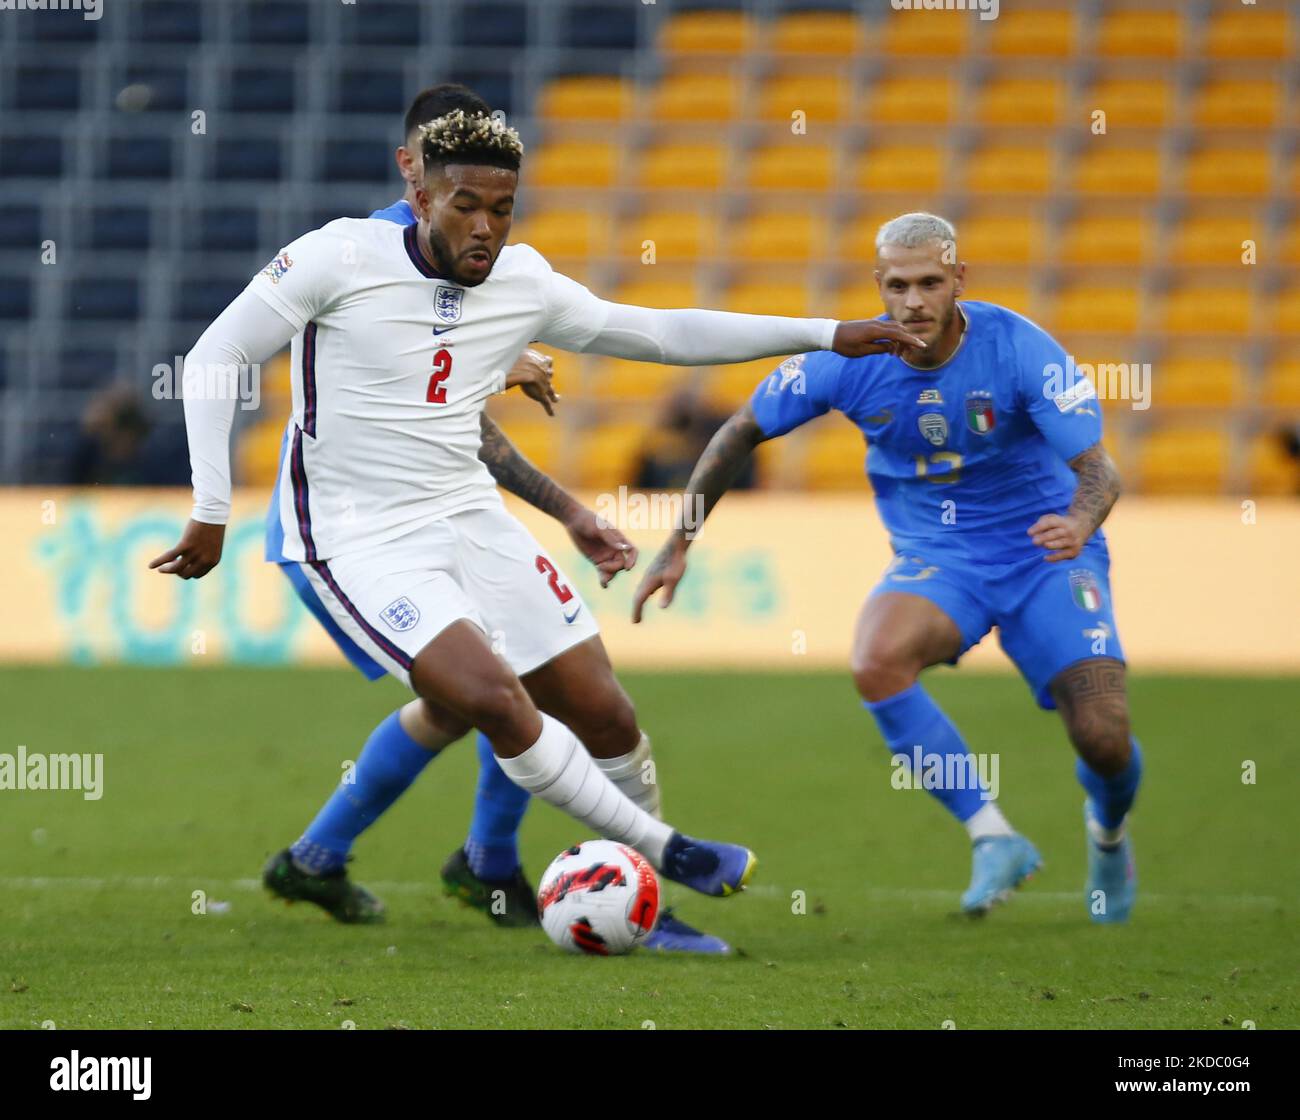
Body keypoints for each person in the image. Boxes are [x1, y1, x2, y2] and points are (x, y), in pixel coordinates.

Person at [149, 105, 921, 935]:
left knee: (604, 711)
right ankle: (668, 851)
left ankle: (626, 905)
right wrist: (212, 507)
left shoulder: (523, 284)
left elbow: (660, 332)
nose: (485, 227)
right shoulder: (337, 255)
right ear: (419, 194)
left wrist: (828, 333)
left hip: (468, 515)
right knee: (494, 700)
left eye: (502, 208)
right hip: (354, 535)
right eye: (465, 206)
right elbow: (217, 355)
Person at [633, 212, 1142, 923]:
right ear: (879, 286)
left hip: (1046, 550)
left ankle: (1109, 835)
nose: (913, 301)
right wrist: (677, 542)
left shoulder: (1021, 349)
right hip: (943, 559)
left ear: (958, 280)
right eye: (897, 285)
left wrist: (1082, 521)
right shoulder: (848, 359)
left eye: (930, 282)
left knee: (1103, 733)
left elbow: (1100, 471)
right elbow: (741, 428)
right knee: (876, 658)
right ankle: (993, 836)